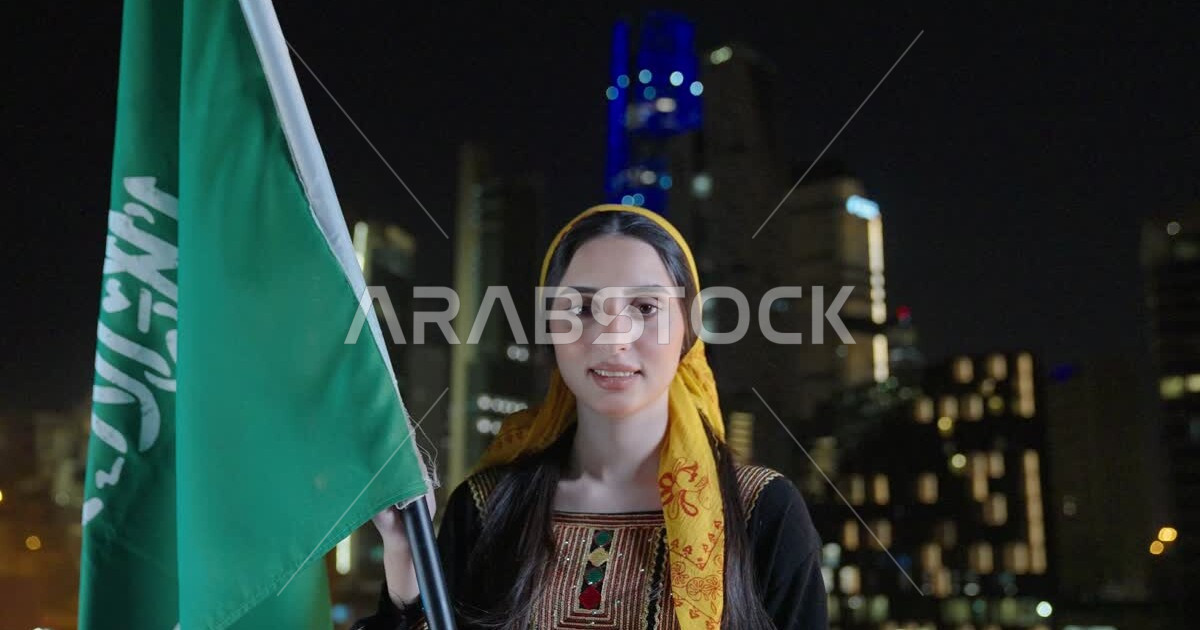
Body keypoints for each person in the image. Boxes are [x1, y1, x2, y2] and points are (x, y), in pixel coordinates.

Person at [353, 205, 827, 630]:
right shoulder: (487, 507)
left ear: (687, 329)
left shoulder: (761, 513)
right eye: (581, 308)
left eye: (644, 307)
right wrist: (403, 555)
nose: (612, 338)